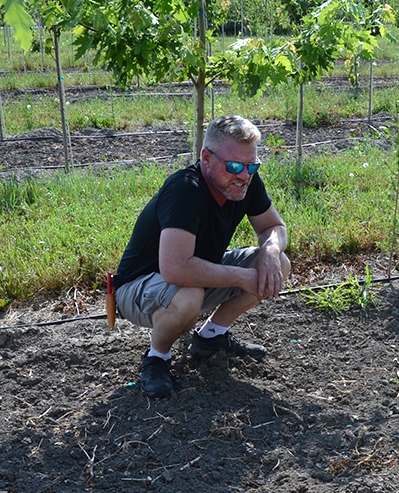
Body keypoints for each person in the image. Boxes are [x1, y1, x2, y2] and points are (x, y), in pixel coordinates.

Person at [113, 115, 290, 398]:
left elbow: (274, 227)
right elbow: (175, 269)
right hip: (137, 287)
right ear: (206, 157)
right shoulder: (185, 190)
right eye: (234, 166)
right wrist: (244, 277)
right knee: (188, 295)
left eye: (252, 166)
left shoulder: (245, 183)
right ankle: (157, 358)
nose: (244, 175)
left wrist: (269, 250)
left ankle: (210, 338)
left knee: (278, 264)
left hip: (190, 278)